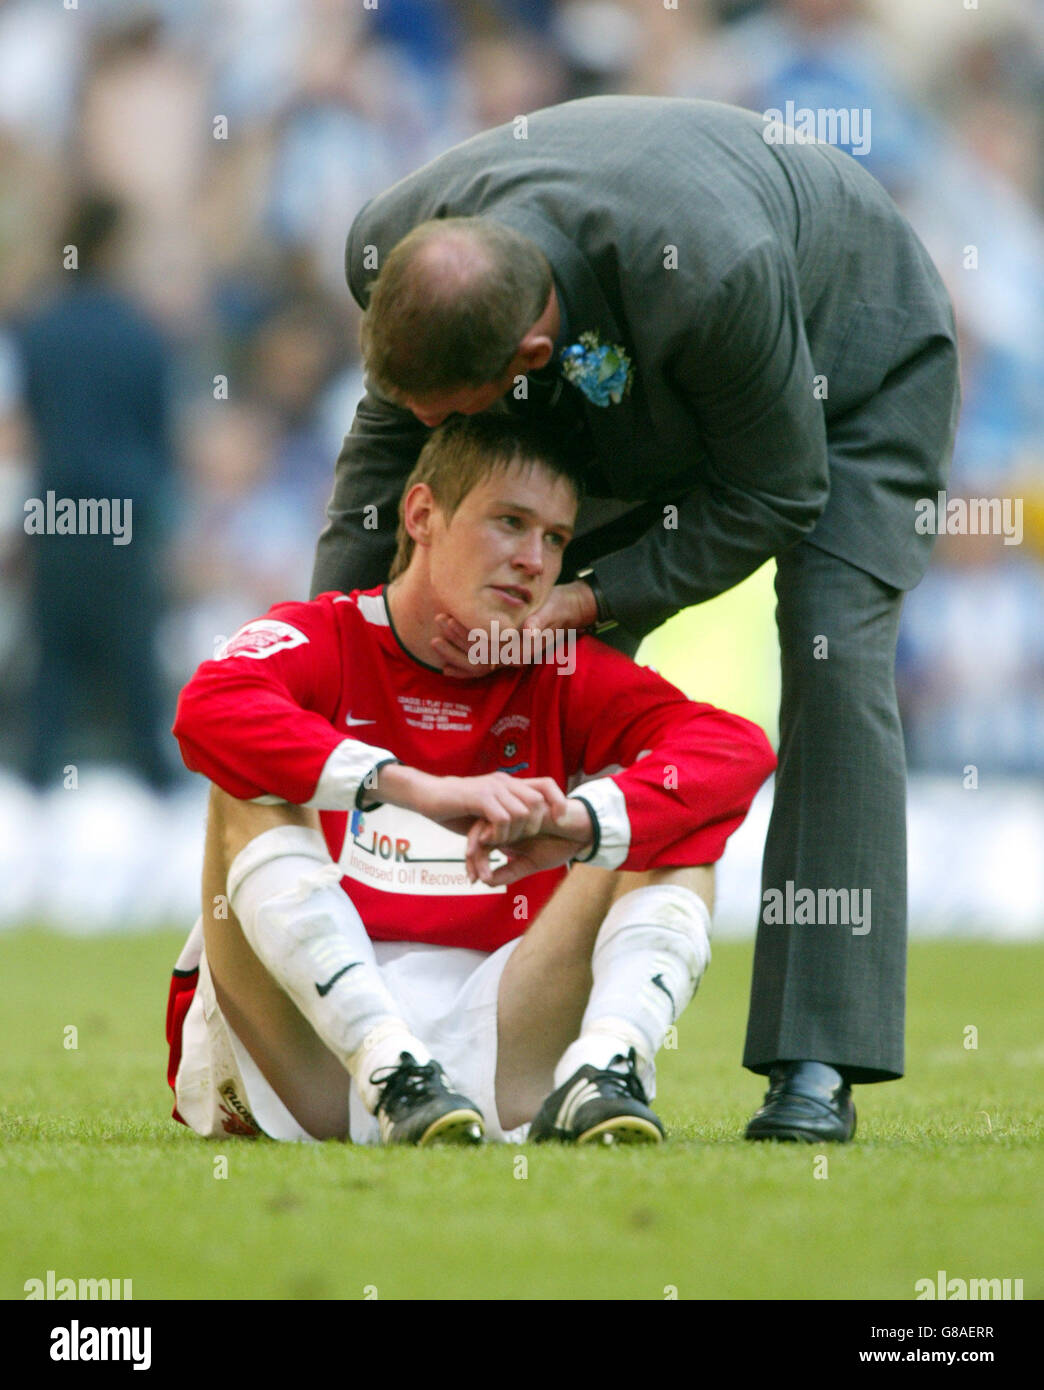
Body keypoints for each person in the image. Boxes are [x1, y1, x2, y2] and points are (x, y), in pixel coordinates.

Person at [311, 96, 962, 1142]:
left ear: (524, 356)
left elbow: (778, 490)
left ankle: (816, 1061)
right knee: (495, 634)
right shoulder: (400, 243)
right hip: (641, 372)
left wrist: (592, 598)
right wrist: (318, 670)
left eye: (455, 409)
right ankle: (482, 1028)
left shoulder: (716, 273)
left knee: (834, 654)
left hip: (851, 376)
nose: (432, 429)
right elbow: (388, 470)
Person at [167, 414, 775, 1146]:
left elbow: (734, 748)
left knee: (675, 818)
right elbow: (207, 708)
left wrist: (582, 823)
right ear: (422, 515)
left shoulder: (560, 671)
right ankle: (390, 1066)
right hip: (316, 1060)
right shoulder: (325, 635)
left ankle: (606, 1068)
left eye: (554, 538)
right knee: (245, 778)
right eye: (510, 523)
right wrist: (419, 788)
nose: (533, 559)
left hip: (499, 1043)